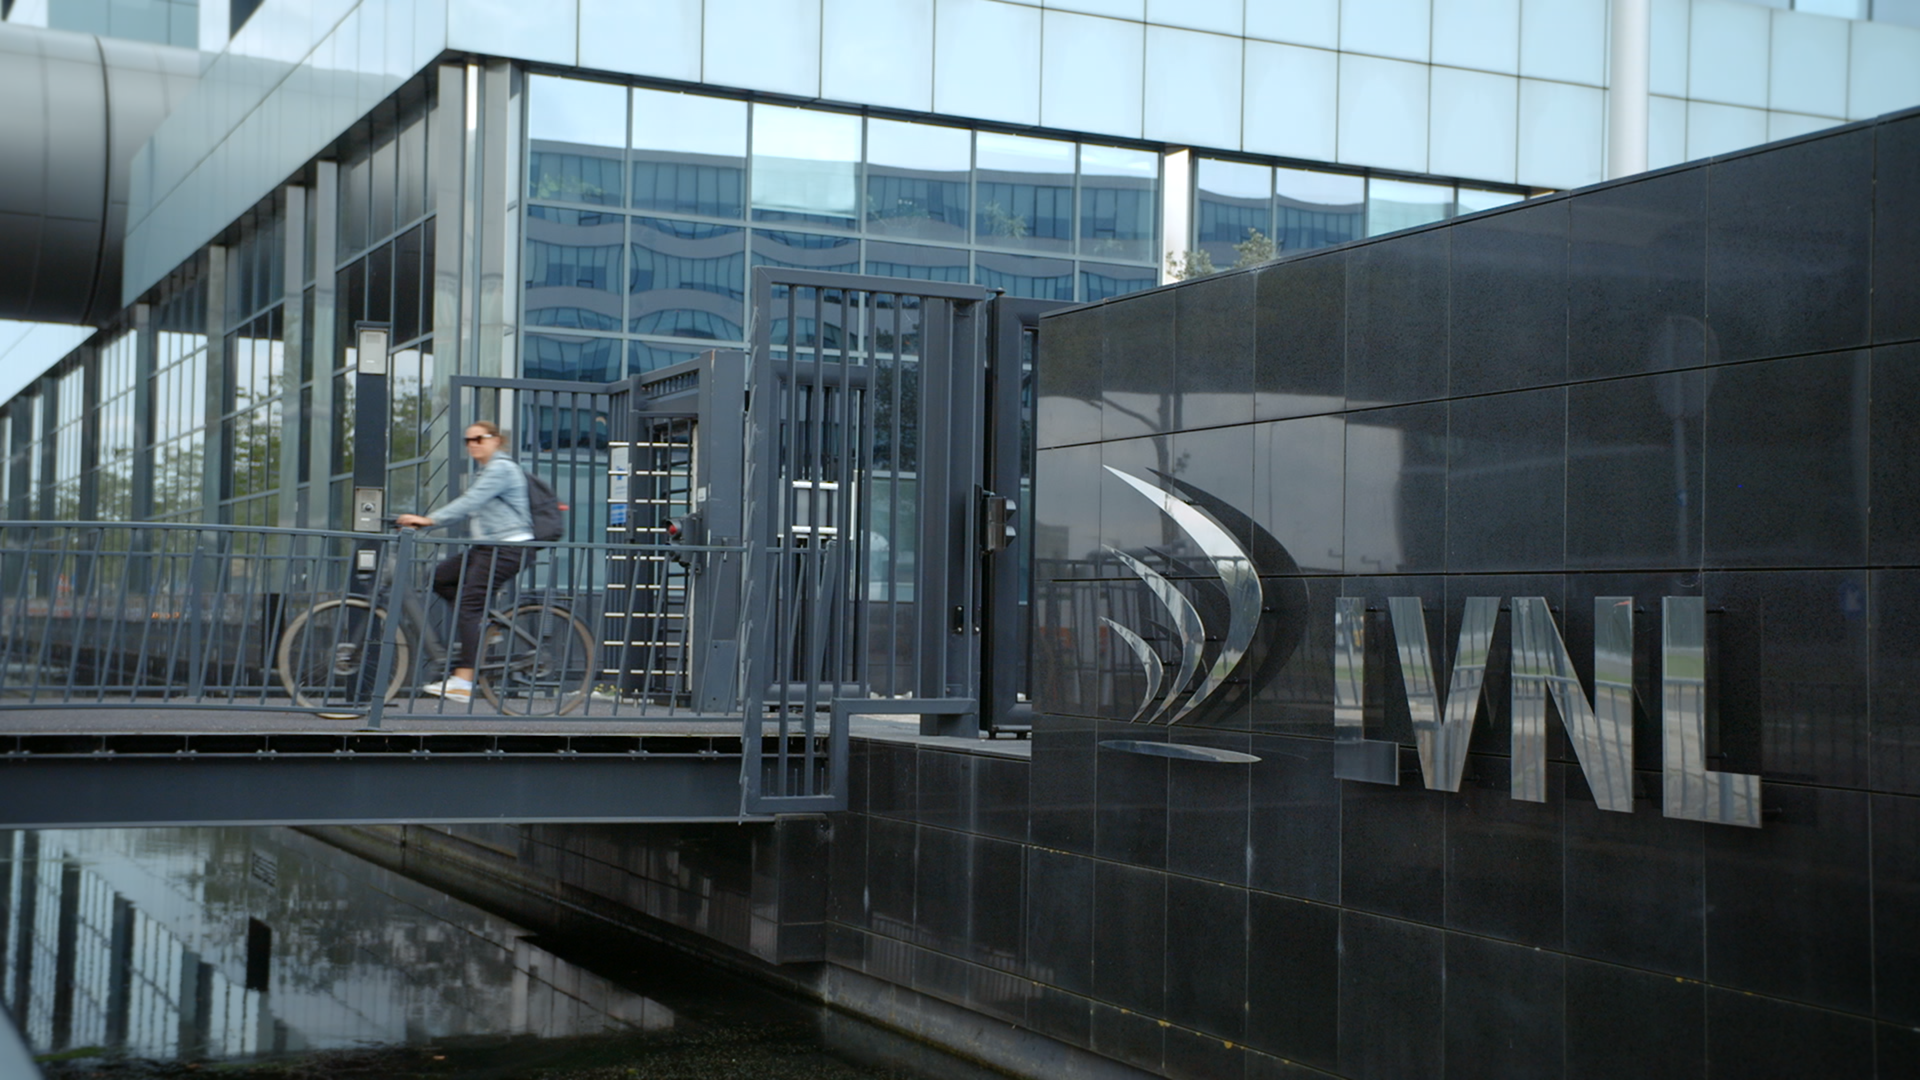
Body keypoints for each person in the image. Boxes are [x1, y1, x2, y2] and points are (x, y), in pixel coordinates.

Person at [396, 421, 532, 703]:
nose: (472, 444)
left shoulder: (501, 468)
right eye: (468, 440)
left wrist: (429, 520)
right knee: (440, 578)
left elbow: (470, 502)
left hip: (509, 547)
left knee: (469, 605)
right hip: (488, 547)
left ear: (496, 440)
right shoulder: (485, 471)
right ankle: (483, 629)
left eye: (479, 438)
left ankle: (463, 681)